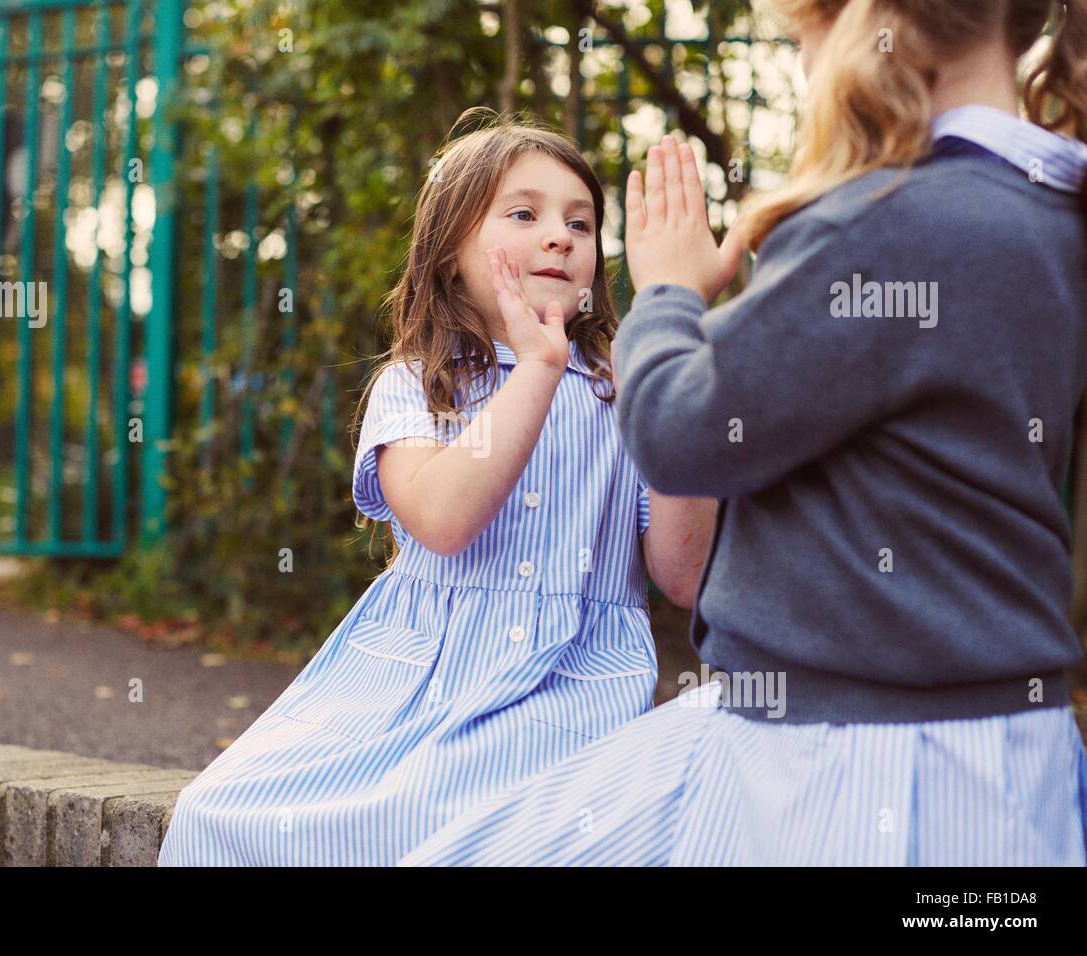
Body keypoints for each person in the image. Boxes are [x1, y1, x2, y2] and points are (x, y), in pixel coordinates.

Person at [402, 0, 1087, 866]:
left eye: (800, 41)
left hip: (850, 755)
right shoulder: (1049, 213)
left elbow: (686, 430)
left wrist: (667, 296)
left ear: (866, 24)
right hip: (986, 744)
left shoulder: (884, 222)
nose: (804, 70)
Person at [158, 111, 716, 865]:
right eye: (525, 214)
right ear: (450, 258)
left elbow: (684, 576)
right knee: (214, 815)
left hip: (569, 692)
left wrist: (677, 364)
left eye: (580, 224)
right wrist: (538, 370)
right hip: (404, 689)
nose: (560, 235)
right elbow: (444, 518)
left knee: (476, 835)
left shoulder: (626, 392)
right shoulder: (415, 387)